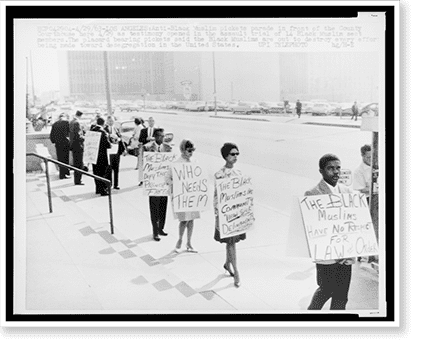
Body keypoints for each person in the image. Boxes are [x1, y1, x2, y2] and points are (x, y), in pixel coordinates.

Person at [305, 154, 355, 310]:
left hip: (345, 255)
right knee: (326, 290)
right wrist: (334, 252)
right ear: (321, 171)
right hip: (327, 257)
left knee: (341, 296)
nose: (336, 172)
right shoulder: (312, 194)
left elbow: (353, 224)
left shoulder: (347, 192)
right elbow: (314, 231)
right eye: (330, 168)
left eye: (338, 168)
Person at [213, 143, 245, 288]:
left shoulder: (239, 173)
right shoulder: (220, 174)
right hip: (226, 213)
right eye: (232, 154)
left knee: (231, 242)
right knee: (230, 243)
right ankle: (236, 272)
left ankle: (227, 263)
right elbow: (216, 196)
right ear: (225, 156)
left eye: (237, 154)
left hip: (237, 212)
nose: (235, 157)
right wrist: (218, 215)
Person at [169, 139, 200, 253]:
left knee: (191, 219)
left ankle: (189, 242)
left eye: (193, 150)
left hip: (192, 194)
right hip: (182, 196)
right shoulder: (176, 163)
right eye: (189, 150)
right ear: (183, 150)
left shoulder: (194, 161)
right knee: (183, 220)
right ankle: (180, 240)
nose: (191, 153)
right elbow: (169, 178)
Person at [144, 128, 172, 241]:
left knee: (163, 207)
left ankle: (161, 228)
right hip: (153, 183)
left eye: (163, 136)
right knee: (154, 208)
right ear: (155, 136)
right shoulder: (148, 147)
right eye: (159, 136)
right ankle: (155, 231)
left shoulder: (168, 147)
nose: (161, 138)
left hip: (164, 183)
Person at [353, 144, 373, 262]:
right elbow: (361, 188)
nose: (371, 160)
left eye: (372, 157)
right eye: (368, 157)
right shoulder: (359, 171)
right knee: (366, 227)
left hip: (378, 197)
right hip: (367, 200)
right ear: (362, 156)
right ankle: (362, 253)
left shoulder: (378, 164)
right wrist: (375, 187)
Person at [90, 116, 111, 196]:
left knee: (96, 172)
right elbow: (108, 144)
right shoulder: (103, 132)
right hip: (102, 156)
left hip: (94, 154)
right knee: (102, 173)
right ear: (103, 123)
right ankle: (103, 190)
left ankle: (98, 189)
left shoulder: (92, 130)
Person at [105, 115, 125, 190]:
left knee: (116, 168)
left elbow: (121, 138)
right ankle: (109, 185)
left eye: (112, 121)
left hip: (116, 151)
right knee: (108, 169)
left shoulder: (116, 129)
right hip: (109, 152)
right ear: (107, 121)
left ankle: (116, 184)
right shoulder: (105, 129)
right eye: (109, 121)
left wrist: (123, 149)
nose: (111, 122)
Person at [49, 112, 71, 179]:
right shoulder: (67, 123)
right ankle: (65, 173)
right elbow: (70, 133)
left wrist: (54, 141)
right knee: (66, 159)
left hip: (58, 144)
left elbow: (51, 135)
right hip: (65, 143)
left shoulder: (55, 124)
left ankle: (62, 174)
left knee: (60, 159)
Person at [138, 116, 157, 186]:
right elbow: (140, 139)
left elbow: (161, 140)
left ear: (154, 122)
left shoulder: (157, 130)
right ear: (148, 122)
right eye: (150, 121)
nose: (151, 122)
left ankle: (152, 180)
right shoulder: (143, 130)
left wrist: (154, 139)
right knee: (144, 165)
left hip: (154, 150)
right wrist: (146, 139)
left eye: (152, 121)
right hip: (145, 150)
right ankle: (142, 180)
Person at [69, 110, 85, 185]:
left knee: (76, 163)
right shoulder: (77, 123)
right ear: (80, 115)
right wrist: (85, 138)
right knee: (79, 163)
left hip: (73, 145)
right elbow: (78, 136)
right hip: (78, 146)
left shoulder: (71, 121)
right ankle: (78, 180)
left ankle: (77, 180)